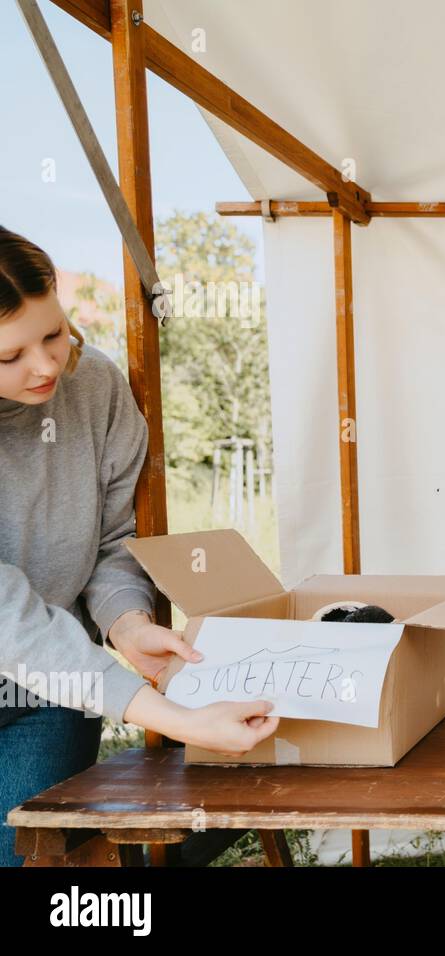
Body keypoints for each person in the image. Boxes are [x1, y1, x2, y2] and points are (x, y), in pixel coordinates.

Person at [0, 226, 279, 866]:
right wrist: (180, 721)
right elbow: (9, 622)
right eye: (9, 357)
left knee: (22, 857)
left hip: (51, 696)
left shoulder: (95, 386)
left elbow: (113, 541)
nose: (45, 366)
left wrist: (126, 621)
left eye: (53, 332)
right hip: (33, 652)